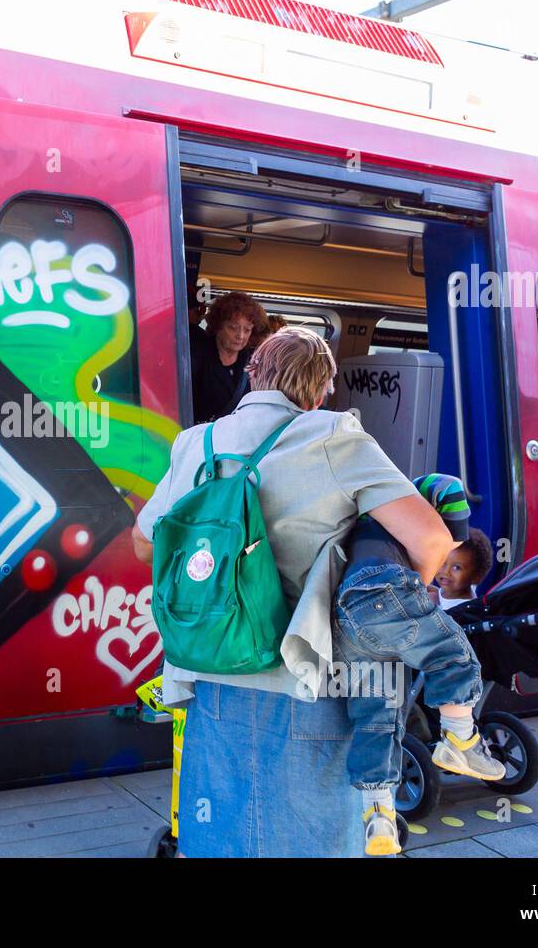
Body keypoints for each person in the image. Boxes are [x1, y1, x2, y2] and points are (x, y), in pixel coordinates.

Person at [132, 326, 455, 857]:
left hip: (209, 679)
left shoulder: (196, 442)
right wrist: (369, 619)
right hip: (303, 683)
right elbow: (432, 540)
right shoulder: (334, 436)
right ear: (321, 391)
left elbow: (145, 547)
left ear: (253, 373)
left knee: (223, 840)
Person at [333, 476, 505, 856]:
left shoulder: (366, 522)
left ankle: (377, 814)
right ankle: (460, 738)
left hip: (346, 619)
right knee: (454, 652)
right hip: (380, 590)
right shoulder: (406, 508)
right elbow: (447, 489)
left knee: (377, 715)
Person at [189, 291, 270, 424]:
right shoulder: (196, 359)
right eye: (233, 328)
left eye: (247, 330)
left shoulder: (255, 365)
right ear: (218, 326)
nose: (241, 336)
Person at [435, 527, 494, 610]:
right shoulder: (454, 589)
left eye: (456, 567)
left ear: (476, 577)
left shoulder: (462, 611)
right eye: (443, 562)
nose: (446, 571)